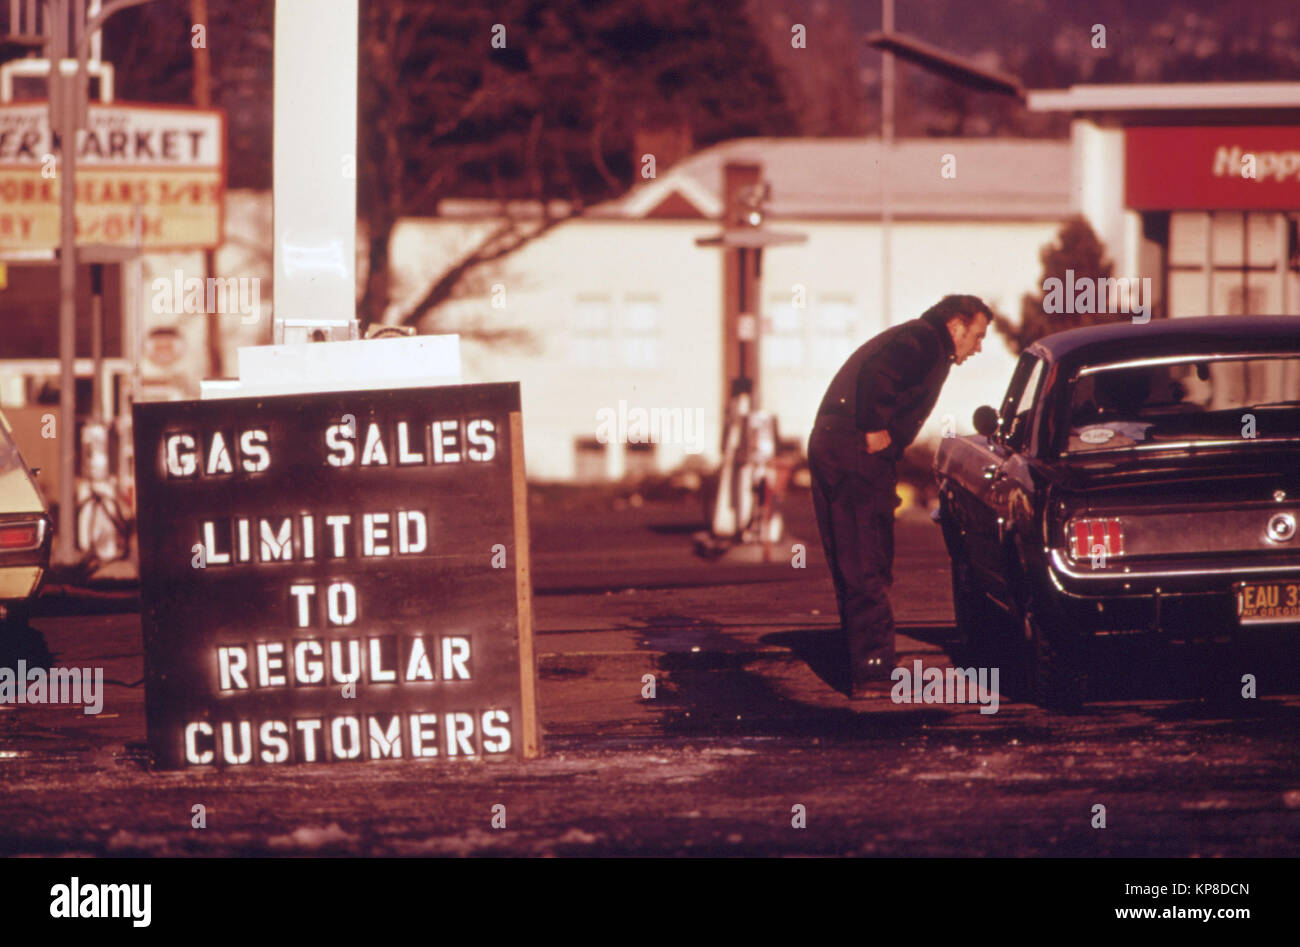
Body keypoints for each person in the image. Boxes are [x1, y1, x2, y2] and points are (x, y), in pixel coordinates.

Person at [807, 295, 991, 698]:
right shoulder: (925, 340)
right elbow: (879, 372)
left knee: (865, 554)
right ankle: (871, 670)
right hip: (853, 449)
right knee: (864, 554)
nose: (978, 348)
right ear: (956, 326)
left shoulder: (924, 341)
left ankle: (869, 660)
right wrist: (874, 426)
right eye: (977, 336)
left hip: (845, 449)